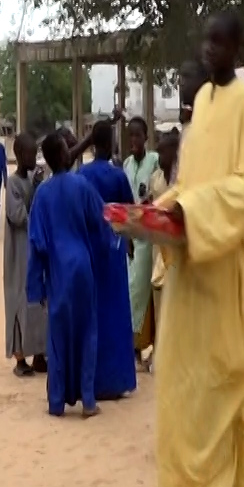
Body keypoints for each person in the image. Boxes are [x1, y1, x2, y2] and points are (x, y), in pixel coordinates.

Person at [152, 10, 244, 487]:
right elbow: (191, 181)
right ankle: (210, 483)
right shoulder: (201, 103)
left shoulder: (239, 107)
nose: (208, 50)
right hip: (191, 262)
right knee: (189, 374)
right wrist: (161, 210)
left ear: (236, 48)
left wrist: (193, 211)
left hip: (224, 261)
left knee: (224, 374)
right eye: (204, 40)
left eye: (219, 42)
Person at [27, 131, 111, 416]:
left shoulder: (42, 195)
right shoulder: (82, 186)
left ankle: (56, 402)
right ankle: (88, 401)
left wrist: (36, 287)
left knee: (58, 337)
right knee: (87, 332)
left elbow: (36, 244)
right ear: (65, 155)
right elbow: (102, 224)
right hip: (83, 268)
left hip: (58, 273)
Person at [75, 120, 139, 400]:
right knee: (116, 311)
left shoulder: (82, 175)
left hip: (90, 248)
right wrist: (130, 243)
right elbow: (129, 212)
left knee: (92, 312)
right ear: (110, 142)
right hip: (114, 248)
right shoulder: (118, 176)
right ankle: (118, 379)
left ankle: (92, 378)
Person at [3, 133, 47, 376]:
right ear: (20, 156)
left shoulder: (33, 179)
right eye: (30, 154)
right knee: (17, 302)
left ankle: (40, 355)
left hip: (33, 253)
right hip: (17, 255)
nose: (34, 158)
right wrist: (36, 193)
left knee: (38, 304)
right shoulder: (13, 183)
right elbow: (19, 216)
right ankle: (20, 359)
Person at [122, 117, 161, 357]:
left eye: (138, 136)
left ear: (146, 138)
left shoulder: (154, 160)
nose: (134, 140)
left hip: (148, 236)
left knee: (141, 291)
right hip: (130, 235)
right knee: (130, 290)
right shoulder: (126, 164)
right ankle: (134, 347)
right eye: (130, 136)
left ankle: (143, 344)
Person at [145, 130, 180, 372]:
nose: (159, 156)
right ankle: (160, 351)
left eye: (163, 151)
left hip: (177, 247)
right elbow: (150, 201)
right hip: (159, 247)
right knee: (159, 297)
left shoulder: (182, 180)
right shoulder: (156, 178)